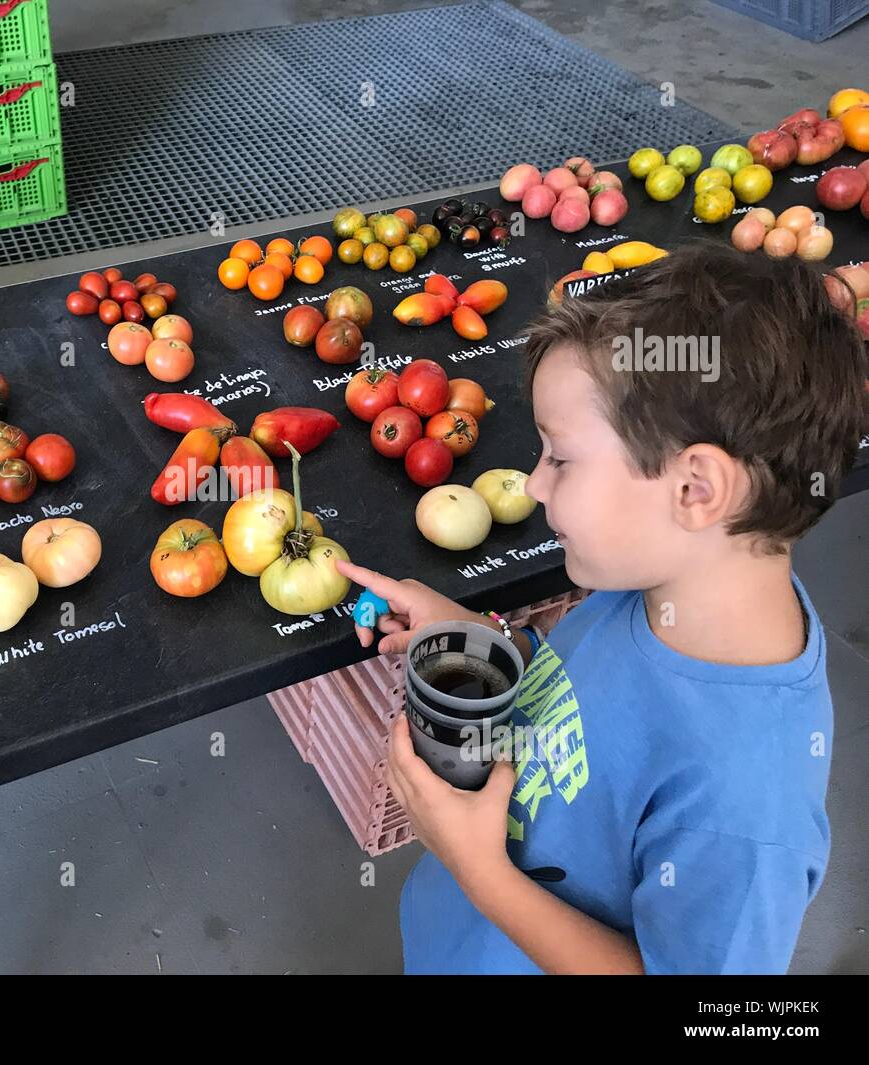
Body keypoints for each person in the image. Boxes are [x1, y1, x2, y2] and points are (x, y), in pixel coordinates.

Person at [336, 243, 867, 974]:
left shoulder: (747, 803)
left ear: (695, 489)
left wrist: (481, 873)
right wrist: (468, 632)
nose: (532, 485)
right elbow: (581, 696)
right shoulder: (653, 586)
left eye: (560, 456)